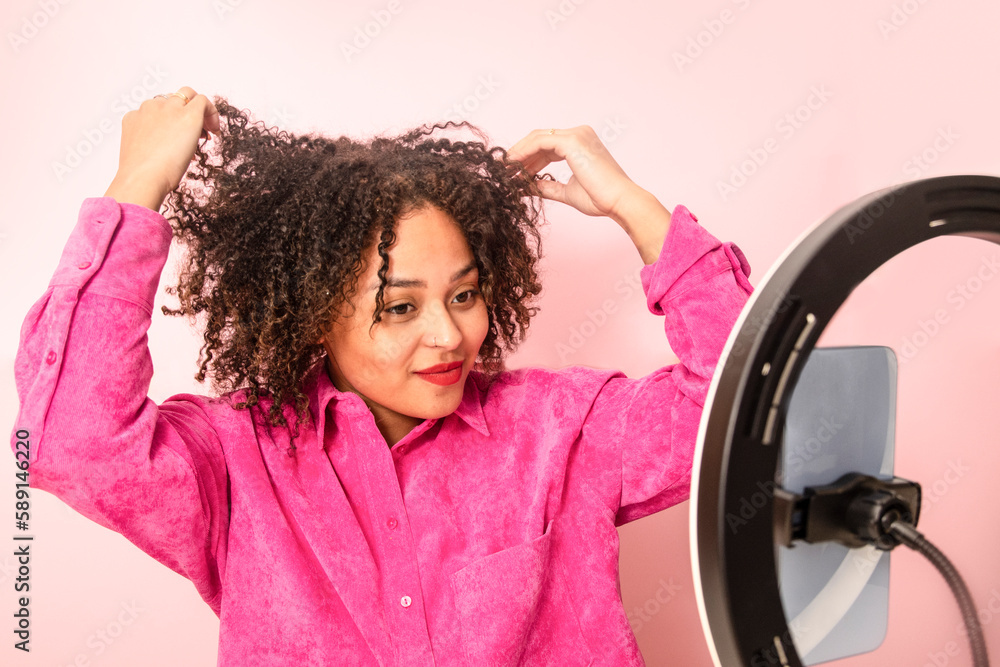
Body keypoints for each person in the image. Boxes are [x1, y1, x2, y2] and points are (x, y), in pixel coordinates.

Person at [11, 86, 753, 665]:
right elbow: (68, 442)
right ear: (314, 314)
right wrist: (137, 186)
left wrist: (634, 207)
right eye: (400, 307)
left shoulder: (561, 431)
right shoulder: (238, 462)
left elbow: (745, 400)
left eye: (464, 294)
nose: (448, 334)